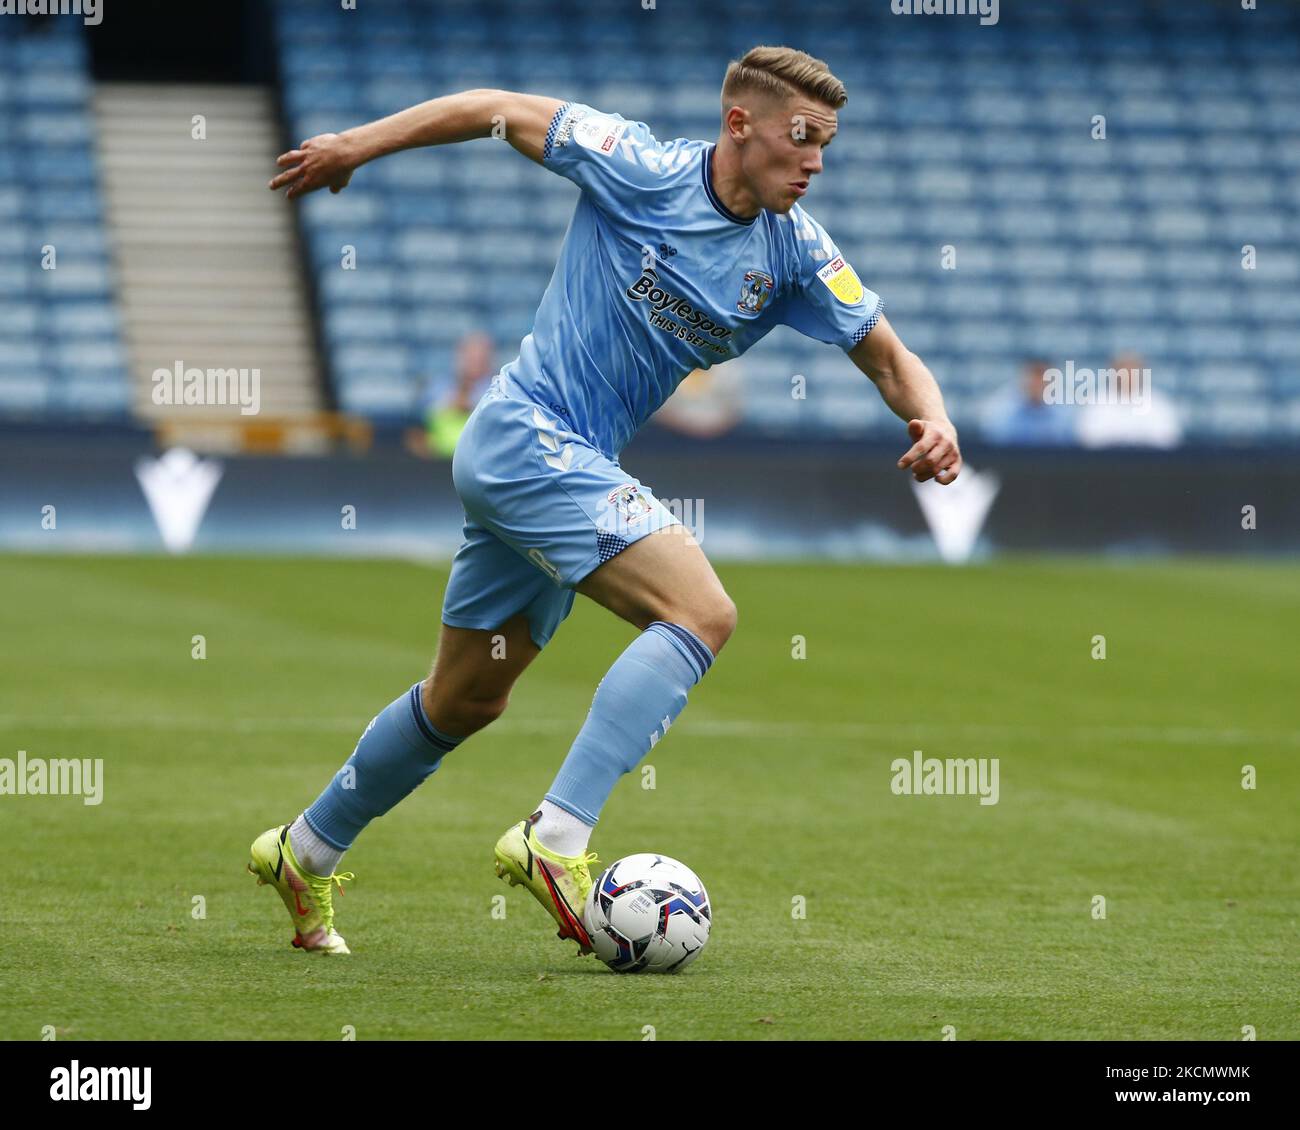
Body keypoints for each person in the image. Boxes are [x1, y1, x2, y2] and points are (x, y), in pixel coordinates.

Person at [251, 46, 962, 955]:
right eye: (802, 137)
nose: (817, 160)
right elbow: (492, 105)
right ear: (740, 125)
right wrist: (353, 145)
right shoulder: (635, 164)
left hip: (559, 466)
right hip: (526, 434)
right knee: (701, 612)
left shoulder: (796, 252)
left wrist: (932, 415)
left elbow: (890, 356)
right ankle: (557, 838)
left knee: (465, 700)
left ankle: (302, 852)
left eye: (826, 142)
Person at [404, 332, 495, 459]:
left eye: (480, 358)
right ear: (459, 357)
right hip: (436, 462)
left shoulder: (497, 389)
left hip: (479, 462)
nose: (474, 362)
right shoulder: (437, 387)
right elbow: (416, 426)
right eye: (470, 357)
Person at [1076, 352, 1182, 449]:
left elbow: (1168, 440)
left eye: (1132, 372)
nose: (1128, 376)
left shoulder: (1159, 404)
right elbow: (1088, 439)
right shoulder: (1096, 403)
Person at [980, 358, 1077, 445]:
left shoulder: (1065, 414)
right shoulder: (1003, 411)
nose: (1039, 383)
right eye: (1035, 377)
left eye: (1044, 378)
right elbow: (997, 446)